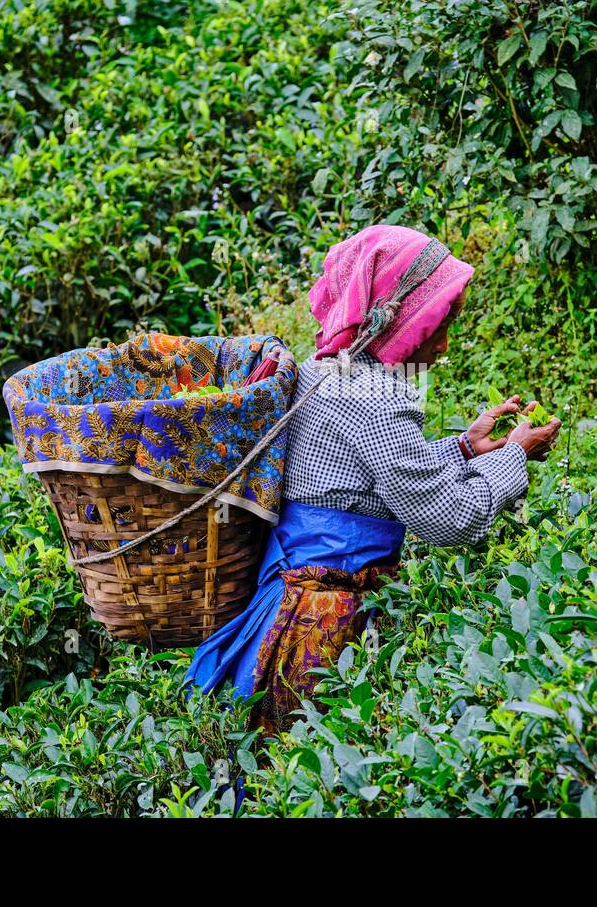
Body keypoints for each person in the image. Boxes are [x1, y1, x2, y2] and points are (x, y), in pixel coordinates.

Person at [186, 224, 561, 733]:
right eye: (438, 323)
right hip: (321, 624)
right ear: (401, 319)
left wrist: (465, 448)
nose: (445, 343)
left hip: (287, 602)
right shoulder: (377, 399)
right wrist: (513, 456)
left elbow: (360, 484)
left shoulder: (325, 373)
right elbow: (451, 520)